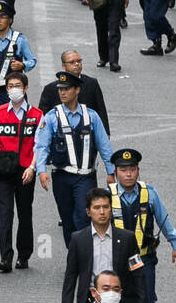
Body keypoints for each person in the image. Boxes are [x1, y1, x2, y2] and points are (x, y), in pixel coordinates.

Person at [34, 70, 116, 246]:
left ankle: (85, 260)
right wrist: (41, 170)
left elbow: (104, 146)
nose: (62, 92)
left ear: (77, 90)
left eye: (67, 89)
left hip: (85, 177)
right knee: (67, 219)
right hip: (61, 176)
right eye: (60, 89)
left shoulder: (91, 116)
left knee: (83, 217)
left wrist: (110, 172)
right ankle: (74, 258)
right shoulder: (51, 117)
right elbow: (41, 146)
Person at [110, 148, 176, 303]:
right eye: (123, 170)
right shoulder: (107, 197)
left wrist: (175, 244)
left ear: (138, 170)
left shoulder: (149, 194)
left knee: (147, 300)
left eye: (132, 169)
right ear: (115, 172)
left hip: (144, 258)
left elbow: (163, 219)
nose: (128, 174)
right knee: (115, 301)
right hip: (115, 261)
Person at [0, 70, 41, 272]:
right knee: (4, 214)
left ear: (25, 89)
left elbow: (38, 145)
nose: (14, 89)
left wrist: (33, 167)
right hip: (3, 170)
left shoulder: (36, 115)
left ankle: (24, 255)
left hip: (26, 171)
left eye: (18, 86)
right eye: (10, 86)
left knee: (25, 214)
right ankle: (6, 257)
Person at [60, 187, 145, 303]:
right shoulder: (78, 239)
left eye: (105, 207)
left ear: (111, 209)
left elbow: (138, 272)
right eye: (96, 208)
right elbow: (70, 276)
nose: (102, 212)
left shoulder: (127, 238)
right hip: (89, 302)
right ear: (88, 212)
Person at [38, 51, 109, 131]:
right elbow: (42, 115)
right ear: (63, 66)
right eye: (72, 62)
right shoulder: (50, 89)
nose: (76, 64)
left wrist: (105, 131)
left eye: (79, 61)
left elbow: (101, 109)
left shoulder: (92, 83)